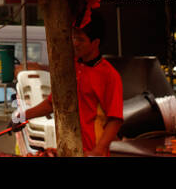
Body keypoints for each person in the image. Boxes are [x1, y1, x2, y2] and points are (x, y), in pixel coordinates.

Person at [15, 13, 124, 156]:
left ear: (95, 43)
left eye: (81, 39)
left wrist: (99, 150)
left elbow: (115, 119)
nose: (75, 43)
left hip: (91, 150)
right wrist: (22, 116)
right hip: (68, 147)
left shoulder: (109, 75)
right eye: (73, 38)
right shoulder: (70, 67)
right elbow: (53, 103)